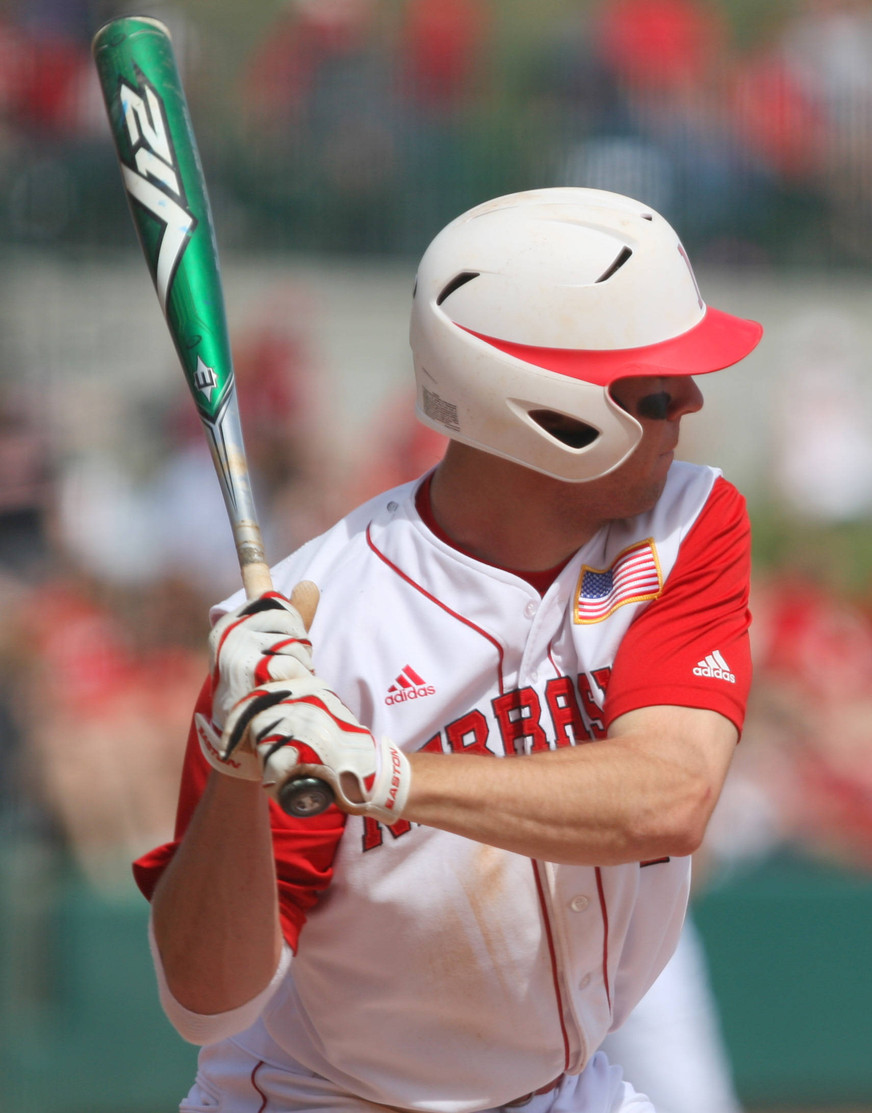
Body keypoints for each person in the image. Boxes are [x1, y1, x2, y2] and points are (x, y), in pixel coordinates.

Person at [131, 187, 762, 1112]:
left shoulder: (684, 523)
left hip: (565, 1087)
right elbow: (206, 1002)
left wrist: (385, 775)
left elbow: (670, 794)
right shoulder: (319, 622)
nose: (693, 402)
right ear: (547, 409)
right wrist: (238, 767)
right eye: (656, 392)